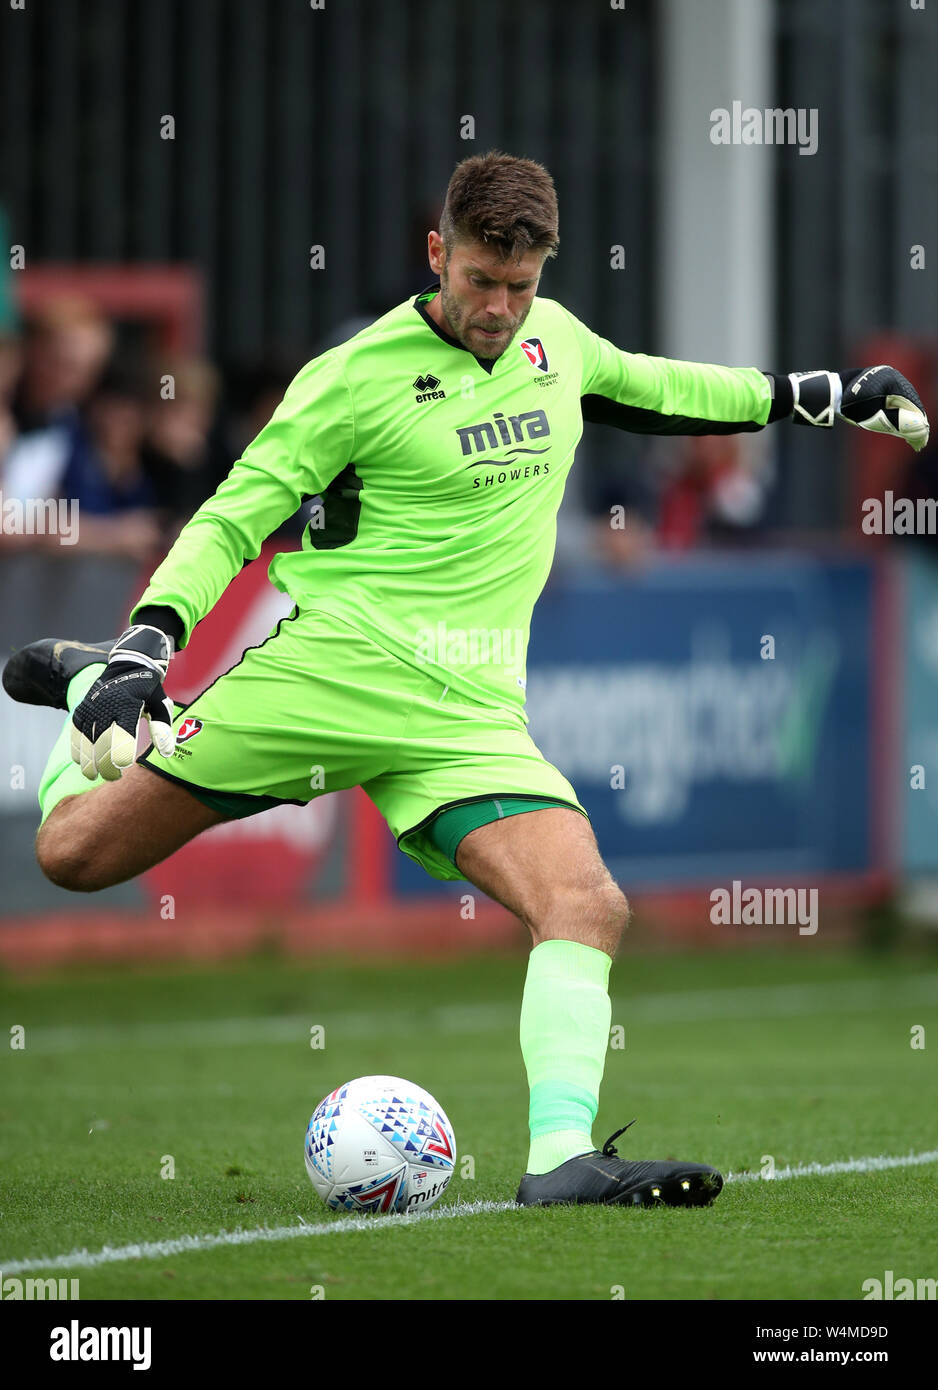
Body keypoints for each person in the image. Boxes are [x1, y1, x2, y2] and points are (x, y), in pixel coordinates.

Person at [2, 151, 929, 1209]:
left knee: (583, 901)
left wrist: (821, 396)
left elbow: (665, 391)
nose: (498, 308)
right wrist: (143, 646)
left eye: (519, 285)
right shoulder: (352, 377)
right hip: (330, 678)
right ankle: (81, 691)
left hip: (470, 717)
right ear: (437, 252)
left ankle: (560, 1158)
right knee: (72, 855)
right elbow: (232, 515)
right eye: (480, 280)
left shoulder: (556, 342)